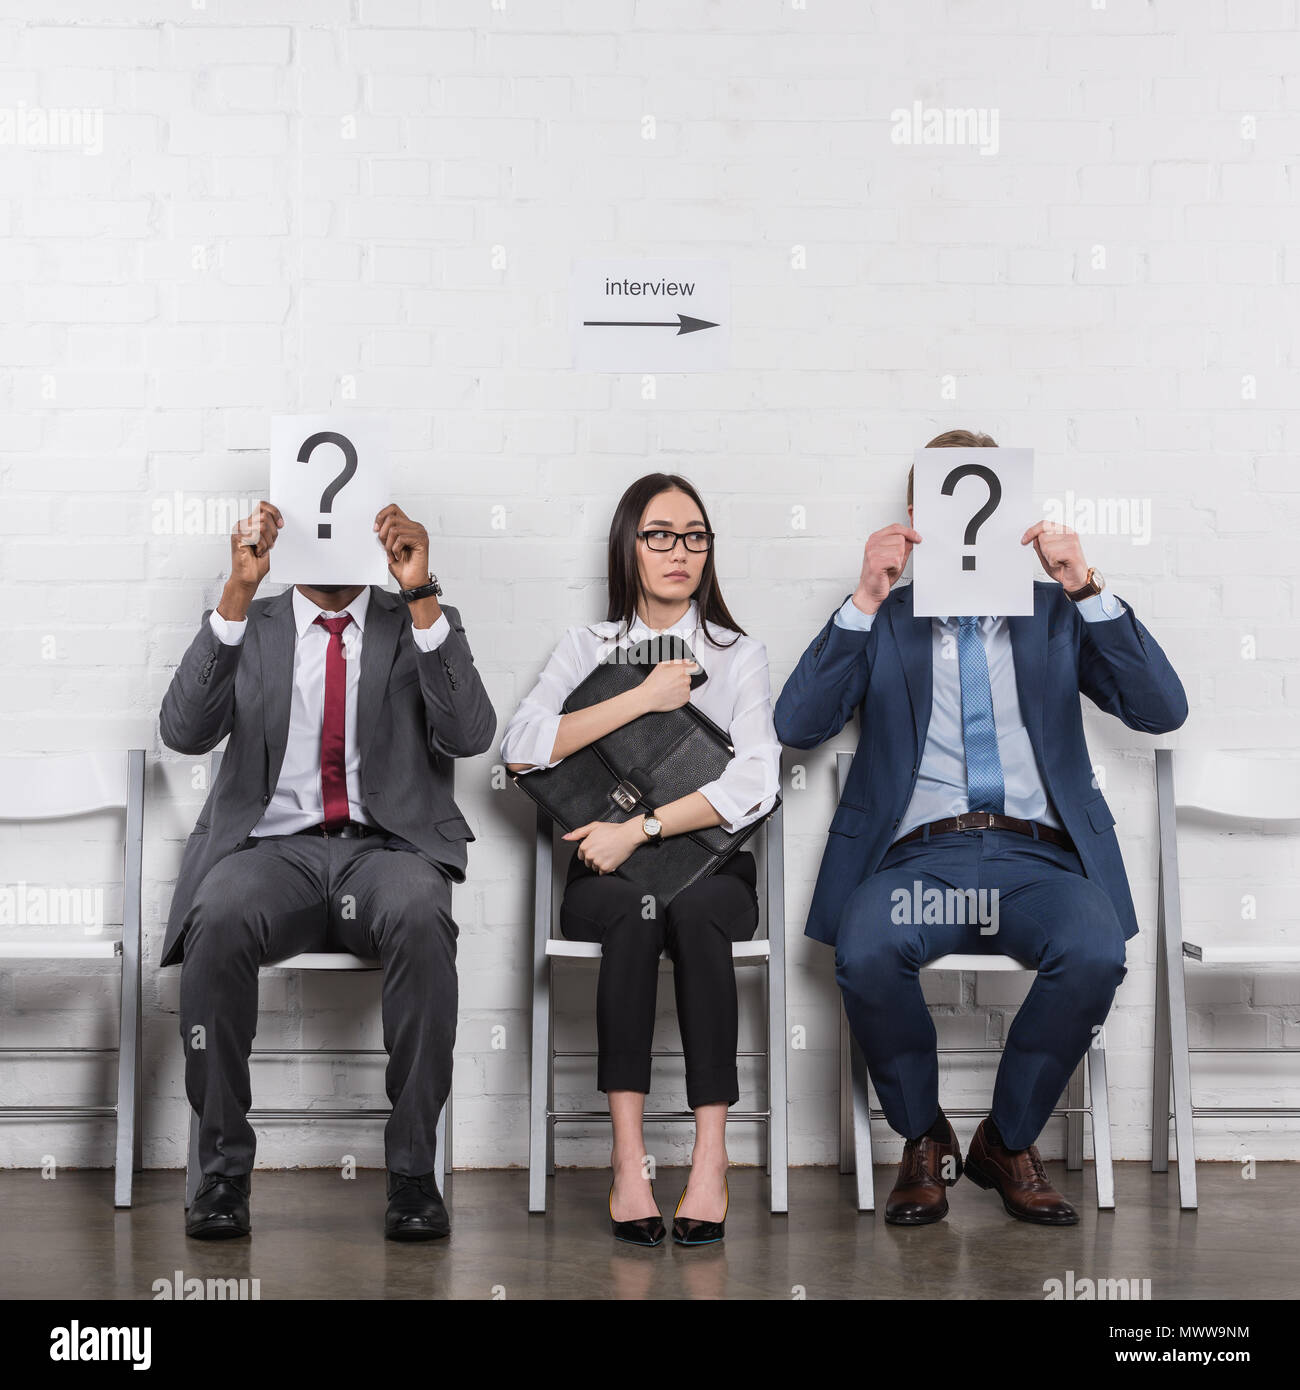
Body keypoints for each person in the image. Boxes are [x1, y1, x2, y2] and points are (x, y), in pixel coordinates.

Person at [775, 430, 1188, 1226]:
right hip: (922, 862)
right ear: (916, 515)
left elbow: (1161, 709)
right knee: (865, 951)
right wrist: (863, 598)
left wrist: (1085, 585)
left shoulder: (1053, 617)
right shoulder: (886, 619)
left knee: (1095, 949)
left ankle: (1006, 1138)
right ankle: (925, 1136)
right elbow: (797, 723)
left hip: (1037, 862)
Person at [160, 500, 496, 1241]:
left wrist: (420, 594)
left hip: (385, 852)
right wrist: (237, 593)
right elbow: (183, 730)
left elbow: (470, 733)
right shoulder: (255, 623)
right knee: (216, 916)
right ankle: (222, 1175)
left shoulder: (417, 617)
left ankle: (413, 1173)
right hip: (273, 853)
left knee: (419, 912)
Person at [502, 474, 781, 1246]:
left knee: (690, 911)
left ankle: (710, 1160)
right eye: (660, 535)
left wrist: (644, 828)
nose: (679, 551)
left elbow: (756, 780)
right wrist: (642, 699)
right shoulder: (585, 648)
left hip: (710, 873)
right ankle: (630, 1161)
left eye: (695, 536)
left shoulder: (737, 653)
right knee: (632, 912)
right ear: (630, 545)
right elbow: (521, 750)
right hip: (604, 878)